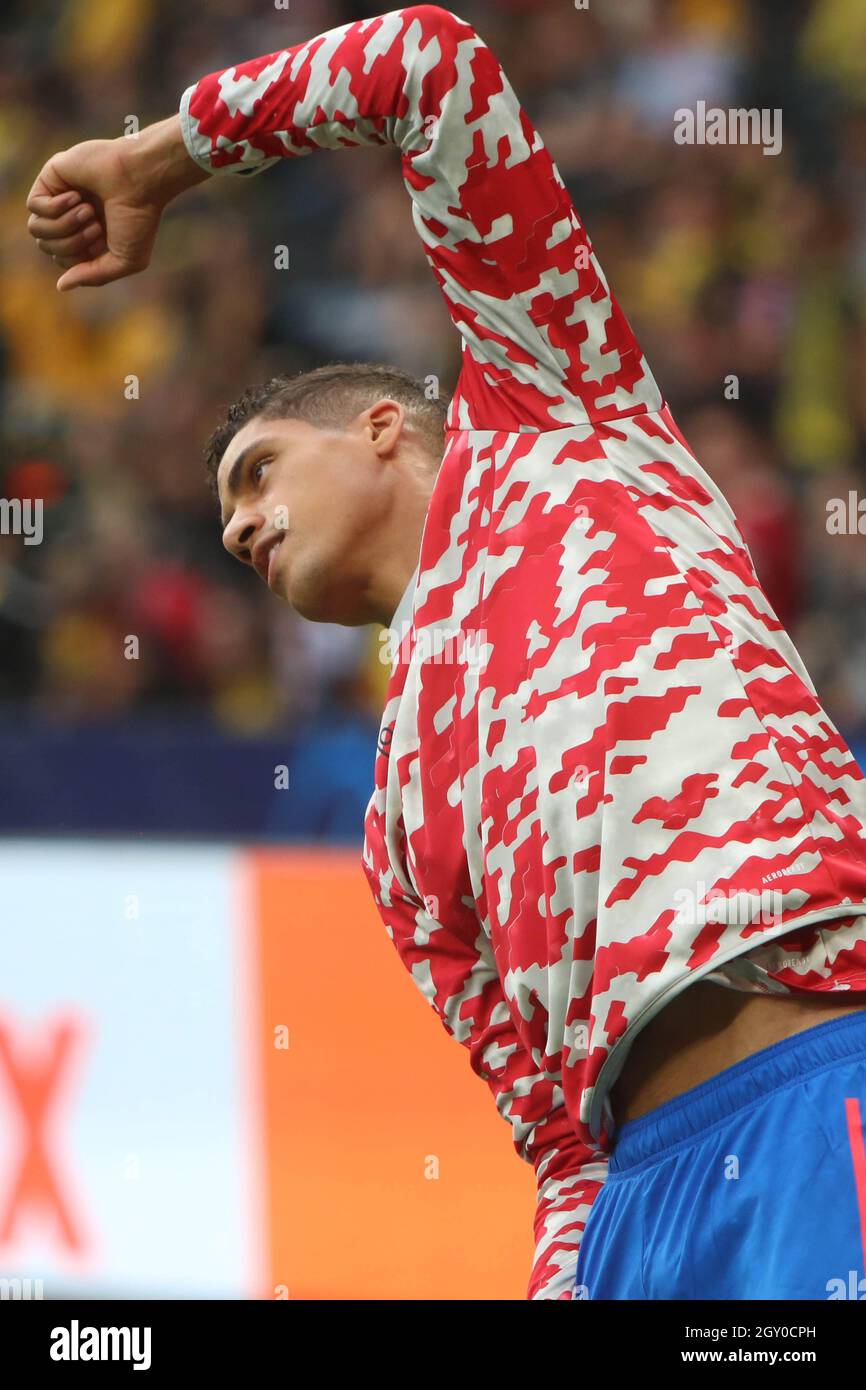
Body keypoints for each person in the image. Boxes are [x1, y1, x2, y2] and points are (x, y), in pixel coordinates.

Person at [26, 5, 866, 1300]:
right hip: (644, 1217)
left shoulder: (553, 414)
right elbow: (554, 1146)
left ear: (377, 428)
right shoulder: (395, 827)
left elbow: (425, 63)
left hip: (822, 1093)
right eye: (226, 518)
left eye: (257, 472)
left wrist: (153, 161)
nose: (242, 523)